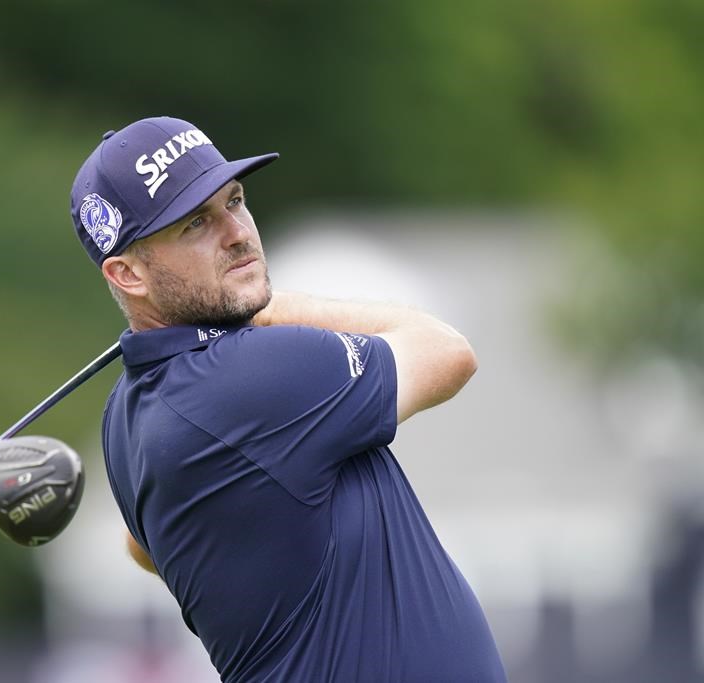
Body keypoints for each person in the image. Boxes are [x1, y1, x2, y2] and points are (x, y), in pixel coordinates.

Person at [69, 116, 507, 682]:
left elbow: (144, 550)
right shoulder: (251, 374)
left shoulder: (125, 417)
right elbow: (446, 352)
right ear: (127, 274)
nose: (237, 233)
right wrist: (277, 309)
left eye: (235, 200)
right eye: (196, 223)